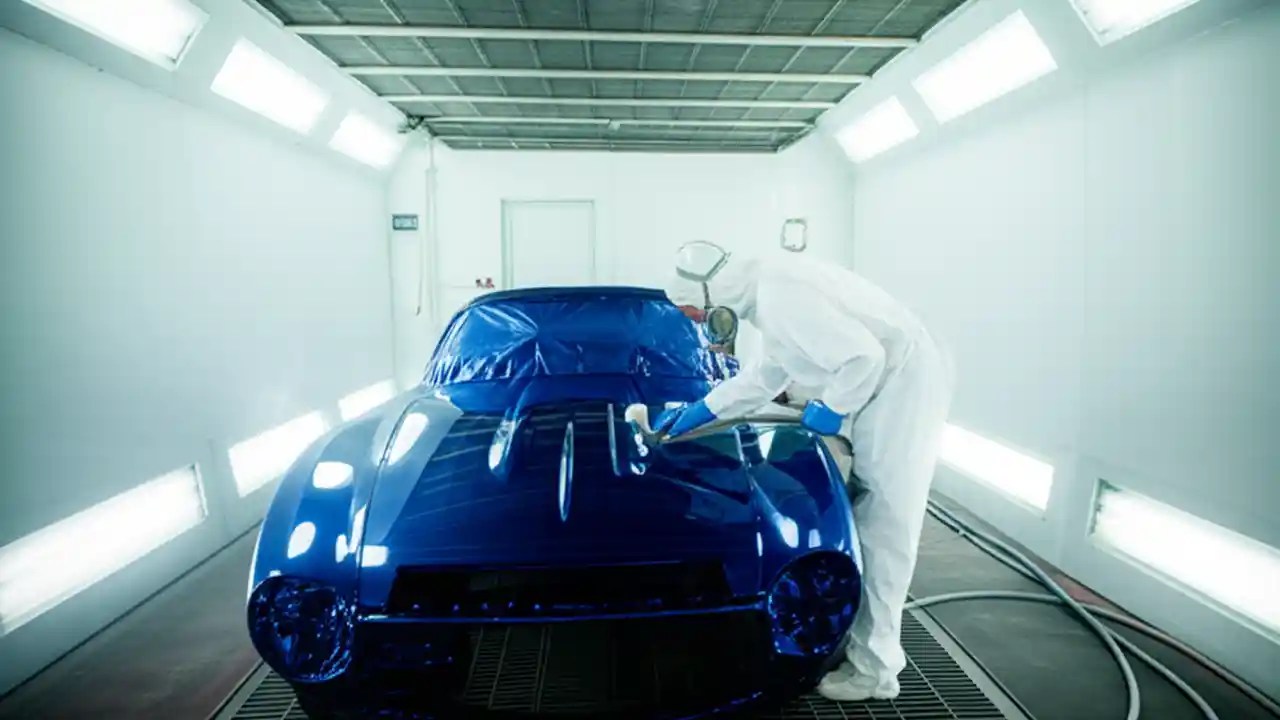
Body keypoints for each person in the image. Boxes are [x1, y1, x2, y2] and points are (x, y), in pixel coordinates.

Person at [657, 241, 954, 702]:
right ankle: (863, 643)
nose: (699, 320)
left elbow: (865, 359)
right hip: (889, 386)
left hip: (902, 387)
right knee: (870, 516)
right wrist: (700, 410)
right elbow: (764, 377)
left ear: (711, 291)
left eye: (696, 311)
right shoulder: (766, 293)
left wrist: (833, 408)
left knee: (887, 523)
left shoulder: (780, 295)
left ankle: (876, 672)